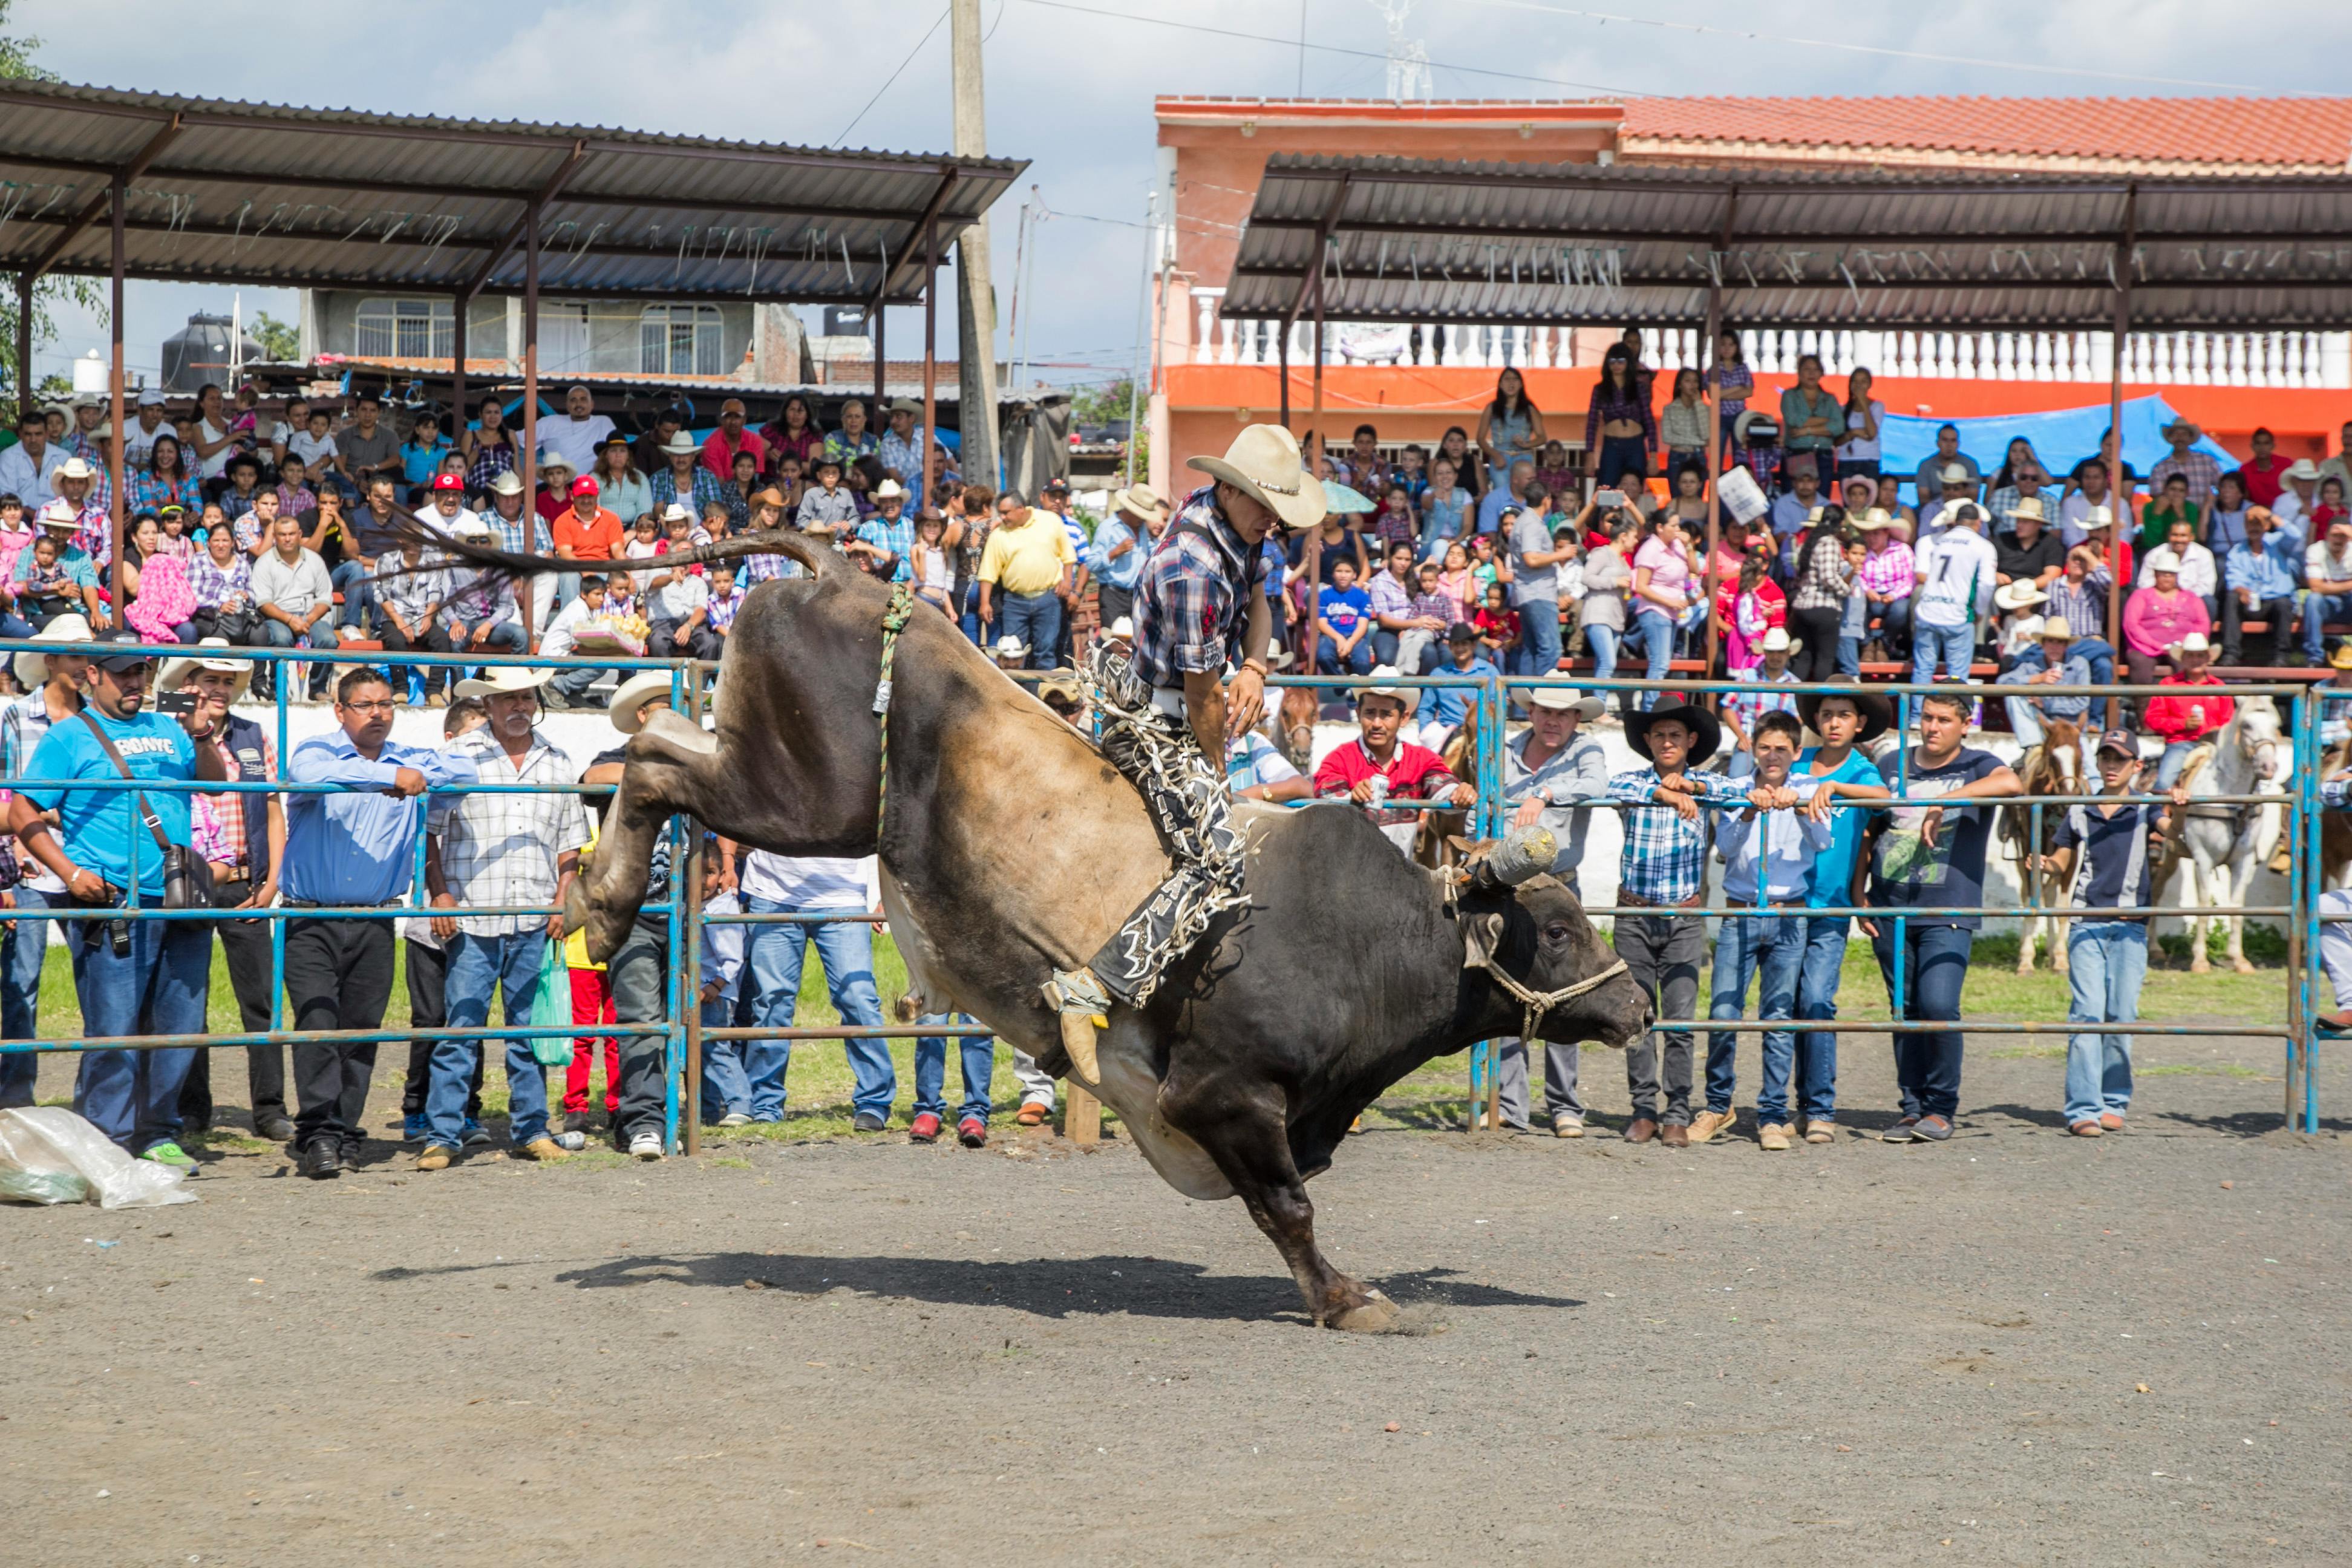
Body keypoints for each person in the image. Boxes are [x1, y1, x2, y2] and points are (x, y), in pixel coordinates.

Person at [1042, 425, 1313, 1057]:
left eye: (1278, 511)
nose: (1271, 522)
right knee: (1217, 857)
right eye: (1263, 506)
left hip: (1182, 705)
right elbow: (1201, 697)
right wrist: (1216, 773)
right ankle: (1096, 982)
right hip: (1154, 722)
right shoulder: (1192, 566)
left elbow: (1260, 596)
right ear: (1227, 488)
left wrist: (1256, 666)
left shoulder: (1230, 526)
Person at [6, 633, 227, 1165]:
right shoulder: (70, 738)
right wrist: (71, 872)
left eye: (142, 672)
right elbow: (22, 811)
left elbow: (215, 786)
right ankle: (108, 1139)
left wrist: (201, 739)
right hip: (113, 900)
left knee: (180, 1022)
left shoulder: (169, 730)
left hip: (178, 897)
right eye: (125, 672)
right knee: (114, 1026)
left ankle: (158, 1133)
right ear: (93, 676)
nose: (136, 682)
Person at [275, 668, 479, 1177]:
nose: (378, 714)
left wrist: (413, 775)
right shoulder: (318, 752)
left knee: (362, 1032)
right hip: (311, 919)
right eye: (365, 705)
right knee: (318, 1025)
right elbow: (302, 776)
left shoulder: (408, 760)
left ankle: (345, 1131)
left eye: (387, 704)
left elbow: (468, 774)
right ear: (340, 711)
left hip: (374, 918)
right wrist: (387, 778)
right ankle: (319, 1133)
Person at [418, 666, 587, 1169]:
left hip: (534, 912)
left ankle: (531, 1128)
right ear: (488, 704)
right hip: (473, 913)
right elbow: (428, 830)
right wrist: (441, 895)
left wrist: (563, 899)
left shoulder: (557, 762)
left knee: (528, 1030)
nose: (519, 706)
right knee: (461, 1027)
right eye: (508, 698)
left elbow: (570, 843)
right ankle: (443, 1135)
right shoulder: (458, 758)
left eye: (526, 697)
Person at [1602, 703, 1781, 1145]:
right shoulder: (1633, 782)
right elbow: (1613, 786)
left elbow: (1729, 790)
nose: (1667, 743)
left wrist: (1691, 786)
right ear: (1648, 741)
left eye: (1676, 736)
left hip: (1683, 917)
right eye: (1659, 735)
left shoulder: (1709, 785)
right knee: (1636, 1017)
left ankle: (1677, 1110)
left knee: (1680, 1020)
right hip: (1635, 913)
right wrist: (1664, 793)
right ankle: (1644, 1109)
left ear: (1691, 742)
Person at [1855, 689, 2023, 1143]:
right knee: (1905, 1009)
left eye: (1944, 719)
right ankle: (1911, 1108)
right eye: (1927, 718)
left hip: (1948, 906)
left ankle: (1941, 1107)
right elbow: (1870, 829)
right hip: (1891, 907)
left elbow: (2013, 784)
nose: (1932, 727)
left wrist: (1947, 798)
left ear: (1964, 725)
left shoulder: (1978, 764)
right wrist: (1859, 894)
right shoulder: (1893, 765)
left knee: (1938, 1005)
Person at [163, 645, 290, 1142]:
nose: (218, 690)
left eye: (226, 682)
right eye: (209, 680)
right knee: (187, 999)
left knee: (259, 999)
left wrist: (273, 881)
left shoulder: (254, 737)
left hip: (244, 882)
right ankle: (191, 1107)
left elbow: (274, 809)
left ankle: (269, 1108)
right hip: (187, 885)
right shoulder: (167, 733)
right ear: (188, 683)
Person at [1693, 711, 1834, 1150]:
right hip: (1740, 913)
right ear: (1753, 748)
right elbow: (1725, 849)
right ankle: (1718, 1106)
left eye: (1781, 749)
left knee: (1777, 1019)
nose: (1772, 756)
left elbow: (1823, 843)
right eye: (1765, 747)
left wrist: (1798, 806)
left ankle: (1772, 1115)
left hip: (1788, 915)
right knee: (1723, 1013)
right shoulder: (1737, 789)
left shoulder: (1809, 789)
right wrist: (1750, 815)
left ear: (1795, 752)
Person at [2043, 735, 2183, 1137]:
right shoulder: (2079, 811)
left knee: (2121, 1015)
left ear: (2136, 766)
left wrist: (2182, 811)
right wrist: (2046, 865)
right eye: (2106, 757)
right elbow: (2062, 861)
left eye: (2120, 759)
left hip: (2130, 925)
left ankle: (2114, 1100)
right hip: (2087, 921)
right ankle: (2083, 1109)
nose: (2111, 765)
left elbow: (2172, 833)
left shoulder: (2145, 807)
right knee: (2087, 1013)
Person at [1787, 687, 1893, 1145]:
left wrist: (1832, 786)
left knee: (1817, 1001)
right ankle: (1794, 1103)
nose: (1833, 723)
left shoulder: (1861, 769)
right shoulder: (1795, 762)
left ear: (1859, 724)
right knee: (1787, 1006)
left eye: (1843, 715)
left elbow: (1883, 798)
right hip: (1787, 901)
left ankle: (1821, 1107)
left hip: (1829, 907)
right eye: (1826, 714)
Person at [0, 618, 92, 1106]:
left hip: (87, 862)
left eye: (87, 656)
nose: (83, 666)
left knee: (97, 985)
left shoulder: (96, 719)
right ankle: (15, 1103)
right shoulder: (17, 717)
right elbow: (6, 793)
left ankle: (93, 1101)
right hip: (30, 863)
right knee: (20, 984)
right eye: (74, 656)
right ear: (50, 660)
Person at [740, 849, 895, 1130]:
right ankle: (765, 1102)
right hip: (772, 892)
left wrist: (886, 890)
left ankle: (875, 1101)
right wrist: (728, 857)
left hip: (844, 896)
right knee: (771, 1003)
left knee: (858, 999)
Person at [1312, 668, 1475, 854]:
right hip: (1349, 874)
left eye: (1386, 714)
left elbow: (1444, 788)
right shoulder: (1339, 760)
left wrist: (1460, 793)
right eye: (1370, 713)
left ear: (1404, 718)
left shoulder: (1421, 759)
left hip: (1401, 875)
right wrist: (1350, 799)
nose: (1376, 723)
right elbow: (1325, 806)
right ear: (1358, 714)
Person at [976, 489, 1077, 670]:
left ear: (1021, 508)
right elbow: (988, 572)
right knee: (1012, 654)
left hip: (1048, 598)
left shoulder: (1049, 521)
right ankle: (1014, 697)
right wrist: (985, 603)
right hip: (1015, 602)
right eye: (1000, 513)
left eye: (1006, 513)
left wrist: (1067, 581)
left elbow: (1068, 556)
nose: (1002, 517)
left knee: (1046, 651)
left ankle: (1044, 697)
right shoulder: (999, 535)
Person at [1907, 500, 1996, 696]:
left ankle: (1915, 718)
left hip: (1929, 610)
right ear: (1978, 523)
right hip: (1957, 615)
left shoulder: (1939, 541)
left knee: (1923, 670)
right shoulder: (1983, 546)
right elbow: (1987, 584)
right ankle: (1953, 719)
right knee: (1957, 675)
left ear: (1956, 521)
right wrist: (1979, 611)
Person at [249, 514, 338, 701]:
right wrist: (290, 619)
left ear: (300, 534)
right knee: (281, 639)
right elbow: (264, 603)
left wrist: (308, 620)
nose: (287, 539)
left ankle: (318, 688)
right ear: (275, 536)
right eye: (282, 534)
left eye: (291, 534)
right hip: (278, 616)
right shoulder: (264, 563)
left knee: (328, 640)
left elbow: (325, 598)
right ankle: (278, 687)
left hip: (310, 615)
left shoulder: (315, 560)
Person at [2142, 633, 2232, 789]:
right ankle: (2158, 813)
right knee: (2163, 785)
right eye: (2190, 655)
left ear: (2208, 658)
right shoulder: (2168, 684)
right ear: (2183, 659)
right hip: (2181, 744)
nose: (2195, 660)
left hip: (2216, 745)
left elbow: (2229, 721)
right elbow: (2152, 719)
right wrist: (2182, 724)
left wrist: (2218, 730)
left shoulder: (2219, 686)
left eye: (2200, 655)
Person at [1999, 619, 2096, 751]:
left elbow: (2082, 703)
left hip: (2071, 729)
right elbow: (2002, 682)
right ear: (2043, 644)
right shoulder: (2032, 665)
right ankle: (2032, 747)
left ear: (2066, 646)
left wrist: (2046, 704)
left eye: (2060, 642)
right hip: (2040, 726)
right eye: (2050, 641)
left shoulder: (2079, 664)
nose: (2054, 647)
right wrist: (2037, 678)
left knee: (2091, 771)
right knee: (2013, 695)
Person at [1506, 492, 1570, 680]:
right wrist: (1561, 554)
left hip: (1529, 593)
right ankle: (1542, 700)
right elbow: (1532, 558)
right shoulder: (1531, 523)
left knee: (1532, 649)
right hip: (1538, 594)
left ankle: (1524, 707)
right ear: (1546, 500)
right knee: (1551, 649)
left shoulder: (1524, 521)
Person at [1089, 482, 1162, 631]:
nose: (1143, 519)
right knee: (1113, 643)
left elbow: (1155, 554)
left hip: (1137, 596)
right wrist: (1114, 553)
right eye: (1140, 514)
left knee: (1137, 642)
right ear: (1129, 509)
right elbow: (1091, 563)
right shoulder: (1108, 528)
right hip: (1113, 596)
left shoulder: (1143, 529)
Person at [1778, 354, 1841, 489]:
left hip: (1824, 456)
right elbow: (1793, 420)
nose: (1812, 373)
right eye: (1807, 369)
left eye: (1816, 369)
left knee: (1821, 504)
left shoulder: (1829, 399)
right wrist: (1825, 421)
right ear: (1799, 373)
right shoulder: (1790, 395)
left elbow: (1839, 427)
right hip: (1796, 454)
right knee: (1792, 499)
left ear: (1821, 373)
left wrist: (1806, 431)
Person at [1480, 367, 1547, 492]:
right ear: (1500, 384)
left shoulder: (1529, 408)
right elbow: (1480, 439)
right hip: (1501, 458)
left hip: (1523, 457)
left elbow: (1542, 437)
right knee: (1502, 493)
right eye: (1507, 379)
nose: (1511, 383)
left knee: (1525, 494)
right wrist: (1495, 456)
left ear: (1521, 384)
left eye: (1515, 379)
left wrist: (1526, 444)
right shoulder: (1492, 408)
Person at [2301, 514, 2352, 664]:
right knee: (2313, 599)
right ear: (2326, 536)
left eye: (2342, 536)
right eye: (2334, 535)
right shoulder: (2315, 550)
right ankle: (2314, 657)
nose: (2338, 540)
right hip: (2327, 605)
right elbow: (2316, 587)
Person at [539, 385, 615, 477]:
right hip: (555, 484)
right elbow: (521, 441)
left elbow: (615, 453)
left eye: (583, 399)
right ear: (567, 405)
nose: (578, 404)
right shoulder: (550, 422)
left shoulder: (603, 423)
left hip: (591, 485)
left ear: (592, 404)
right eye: (573, 400)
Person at [0, 407, 65, 510]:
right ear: (20, 434)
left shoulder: (63, 457)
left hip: (56, 517)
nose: (33, 440)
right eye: (28, 434)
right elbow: (9, 494)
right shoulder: (8, 457)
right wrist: (37, 517)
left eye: (38, 434)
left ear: (47, 434)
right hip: (19, 516)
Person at [1911, 424, 1980, 509]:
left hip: (1963, 511)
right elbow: (1923, 498)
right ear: (1938, 443)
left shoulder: (1970, 464)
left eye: (1953, 441)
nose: (1949, 445)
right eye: (1945, 440)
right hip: (1933, 511)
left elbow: (1973, 497)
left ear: (1958, 444)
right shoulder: (1926, 465)